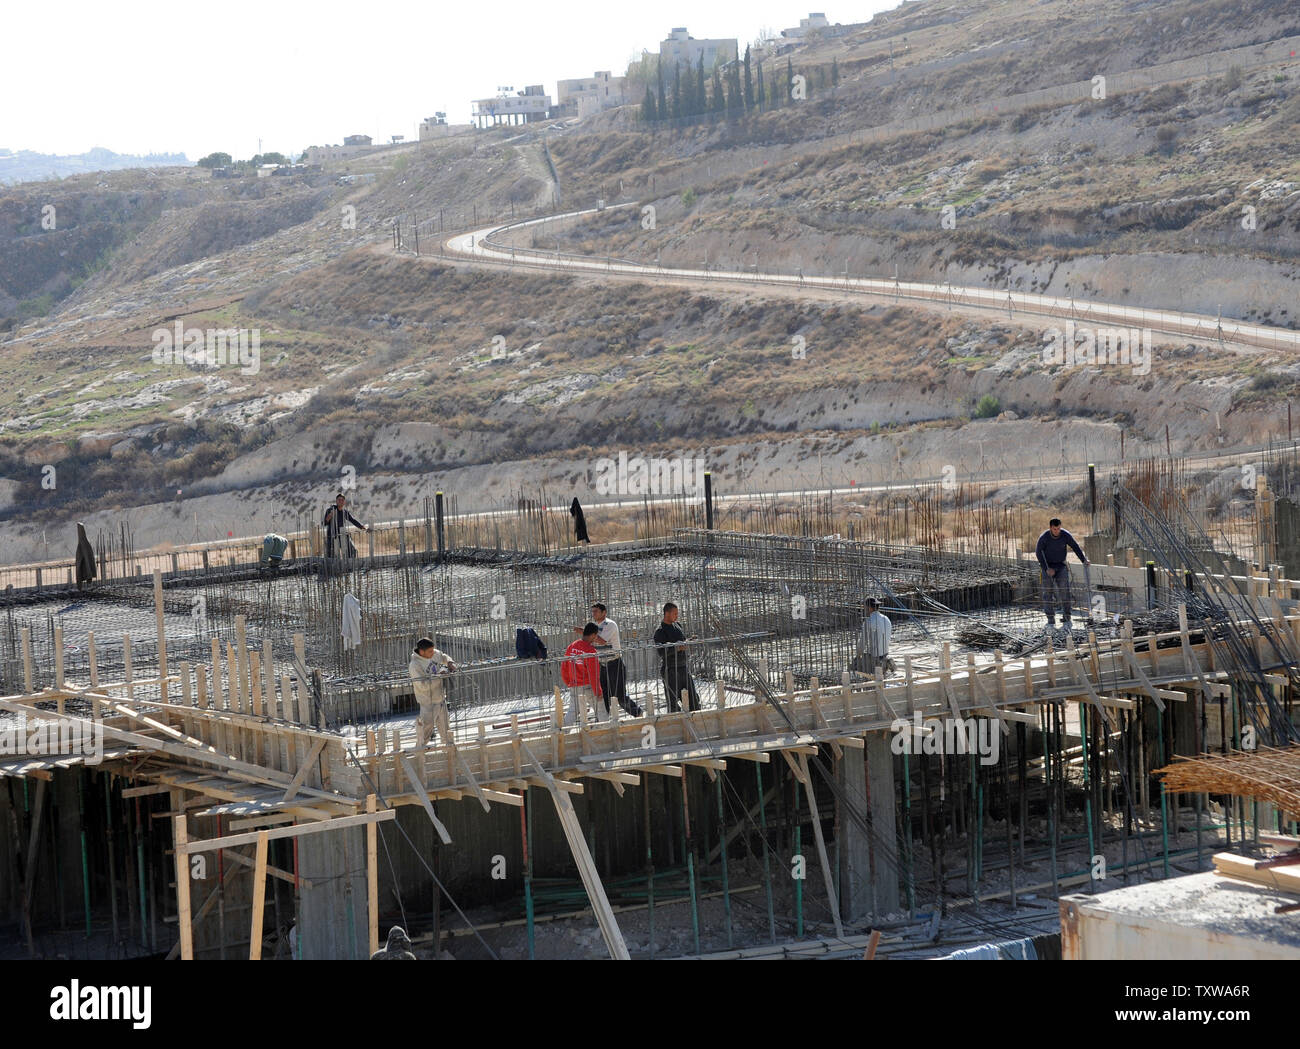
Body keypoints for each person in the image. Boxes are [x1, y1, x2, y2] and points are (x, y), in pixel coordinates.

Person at [579, 602, 641, 718]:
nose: (594, 614)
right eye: (592, 611)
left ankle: (638, 713)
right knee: (604, 696)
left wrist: (585, 633)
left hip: (614, 664)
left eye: (596, 611)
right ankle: (604, 720)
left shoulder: (610, 624)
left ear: (604, 612)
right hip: (602, 665)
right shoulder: (594, 626)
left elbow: (602, 641)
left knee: (620, 696)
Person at [1035, 517, 1089, 628]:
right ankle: (1050, 618)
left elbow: (1075, 546)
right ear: (1050, 528)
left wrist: (1083, 559)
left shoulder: (1065, 535)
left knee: (1065, 592)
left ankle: (1067, 616)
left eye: (1059, 528)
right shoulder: (1044, 538)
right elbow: (1038, 553)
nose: (1057, 531)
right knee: (1047, 593)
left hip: (1061, 565)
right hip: (1048, 567)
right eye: (1055, 529)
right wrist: (1046, 568)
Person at [409, 638, 457, 746]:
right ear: (422, 652)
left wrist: (449, 662)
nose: (433, 653)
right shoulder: (415, 665)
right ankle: (419, 752)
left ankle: (449, 752)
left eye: (433, 650)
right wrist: (439, 676)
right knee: (425, 733)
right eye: (430, 651)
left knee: (446, 731)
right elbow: (422, 686)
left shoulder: (433, 653)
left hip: (441, 699)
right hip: (428, 703)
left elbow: (443, 656)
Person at [654, 602, 701, 712]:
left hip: (683, 668)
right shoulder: (660, 631)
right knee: (673, 705)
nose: (677, 616)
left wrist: (688, 641)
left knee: (693, 701)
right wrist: (677, 648)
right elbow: (661, 652)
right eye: (674, 613)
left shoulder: (678, 625)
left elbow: (682, 642)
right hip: (670, 670)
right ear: (667, 613)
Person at [563, 624, 605, 725]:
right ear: (593, 635)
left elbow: (564, 666)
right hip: (587, 686)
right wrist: (598, 692)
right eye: (596, 636)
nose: (596, 638)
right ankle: (607, 730)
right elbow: (593, 674)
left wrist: (569, 682)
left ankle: (562, 731)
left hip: (575, 685)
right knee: (600, 710)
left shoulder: (572, 646)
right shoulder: (590, 651)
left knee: (573, 711)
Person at [853, 598, 894, 675]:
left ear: (869, 608)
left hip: (875, 657)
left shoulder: (869, 621)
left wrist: (858, 655)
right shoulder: (886, 619)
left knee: (854, 665)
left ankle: (875, 667)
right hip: (885, 653)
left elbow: (862, 643)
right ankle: (886, 662)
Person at [323, 492, 368, 558]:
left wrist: (362, 527)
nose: (340, 501)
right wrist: (329, 517)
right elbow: (324, 523)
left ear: (344, 502)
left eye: (342, 500)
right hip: (332, 536)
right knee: (332, 556)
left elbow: (352, 520)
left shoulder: (344, 512)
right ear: (336, 501)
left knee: (352, 551)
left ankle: (349, 563)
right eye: (339, 500)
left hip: (343, 534)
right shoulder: (330, 510)